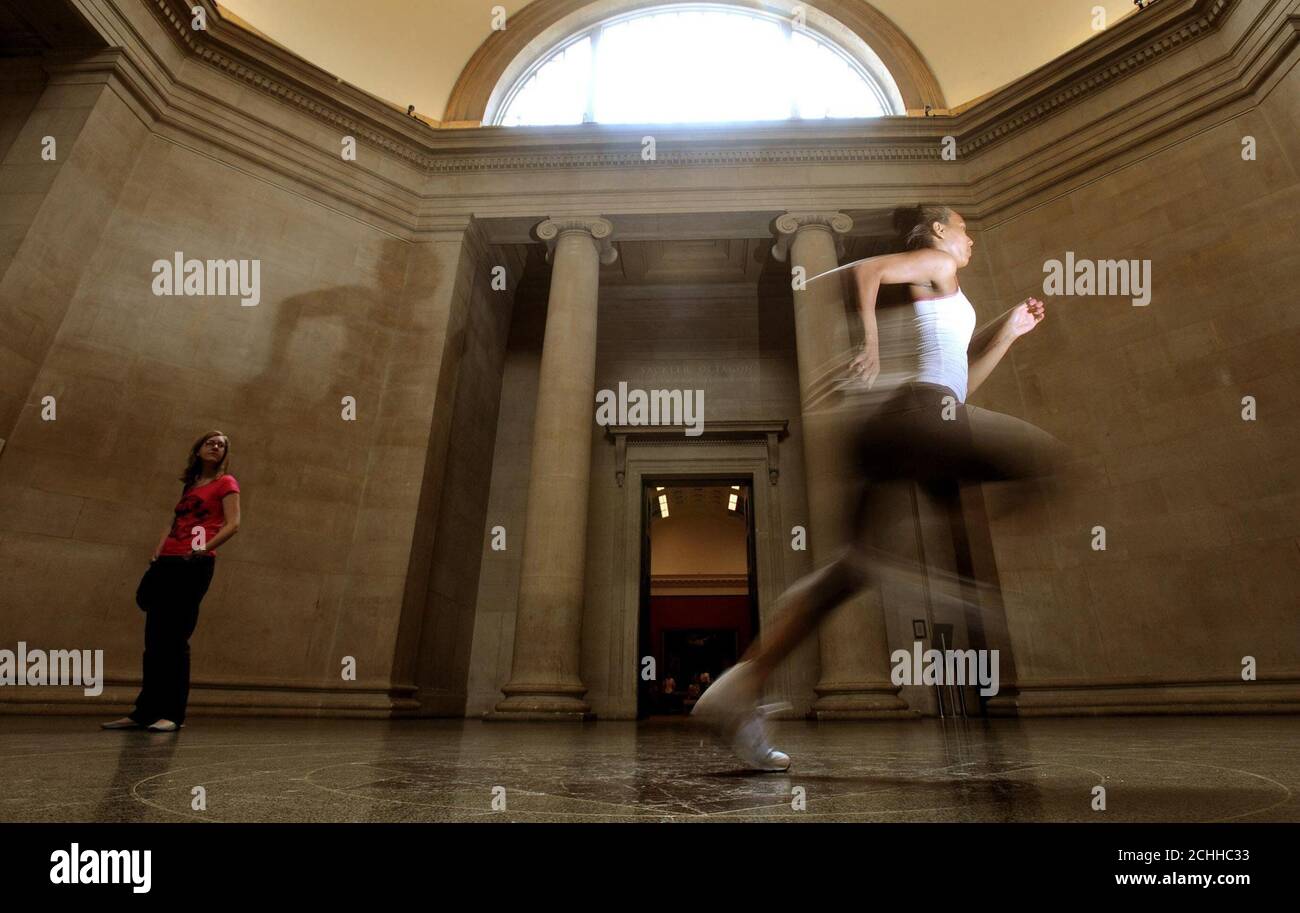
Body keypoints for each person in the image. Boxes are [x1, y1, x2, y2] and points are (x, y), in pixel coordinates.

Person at [693, 205, 1068, 770]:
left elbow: (959, 383)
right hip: (920, 416)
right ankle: (965, 599)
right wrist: (868, 343)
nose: (971, 239)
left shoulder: (946, 287)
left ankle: (738, 691)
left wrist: (1009, 332)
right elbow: (866, 272)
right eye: (964, 228)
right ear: (940, 230)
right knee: (1045, 462)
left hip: (909, 419)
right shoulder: (938, 259)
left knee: (851, 569)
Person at [102, 431, 241, 732]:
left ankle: (173, 714)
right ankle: (143, 712)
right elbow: (175, 520)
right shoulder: (191, 486)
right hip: (167, 560)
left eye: (221, 445)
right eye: (210, 442)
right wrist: (159, 546)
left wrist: (205, 547)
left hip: (195, 564)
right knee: (154, 640)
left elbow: (234, 523)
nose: (215, 447)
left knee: (176, 639)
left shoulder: (226, 483)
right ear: (198, 449)